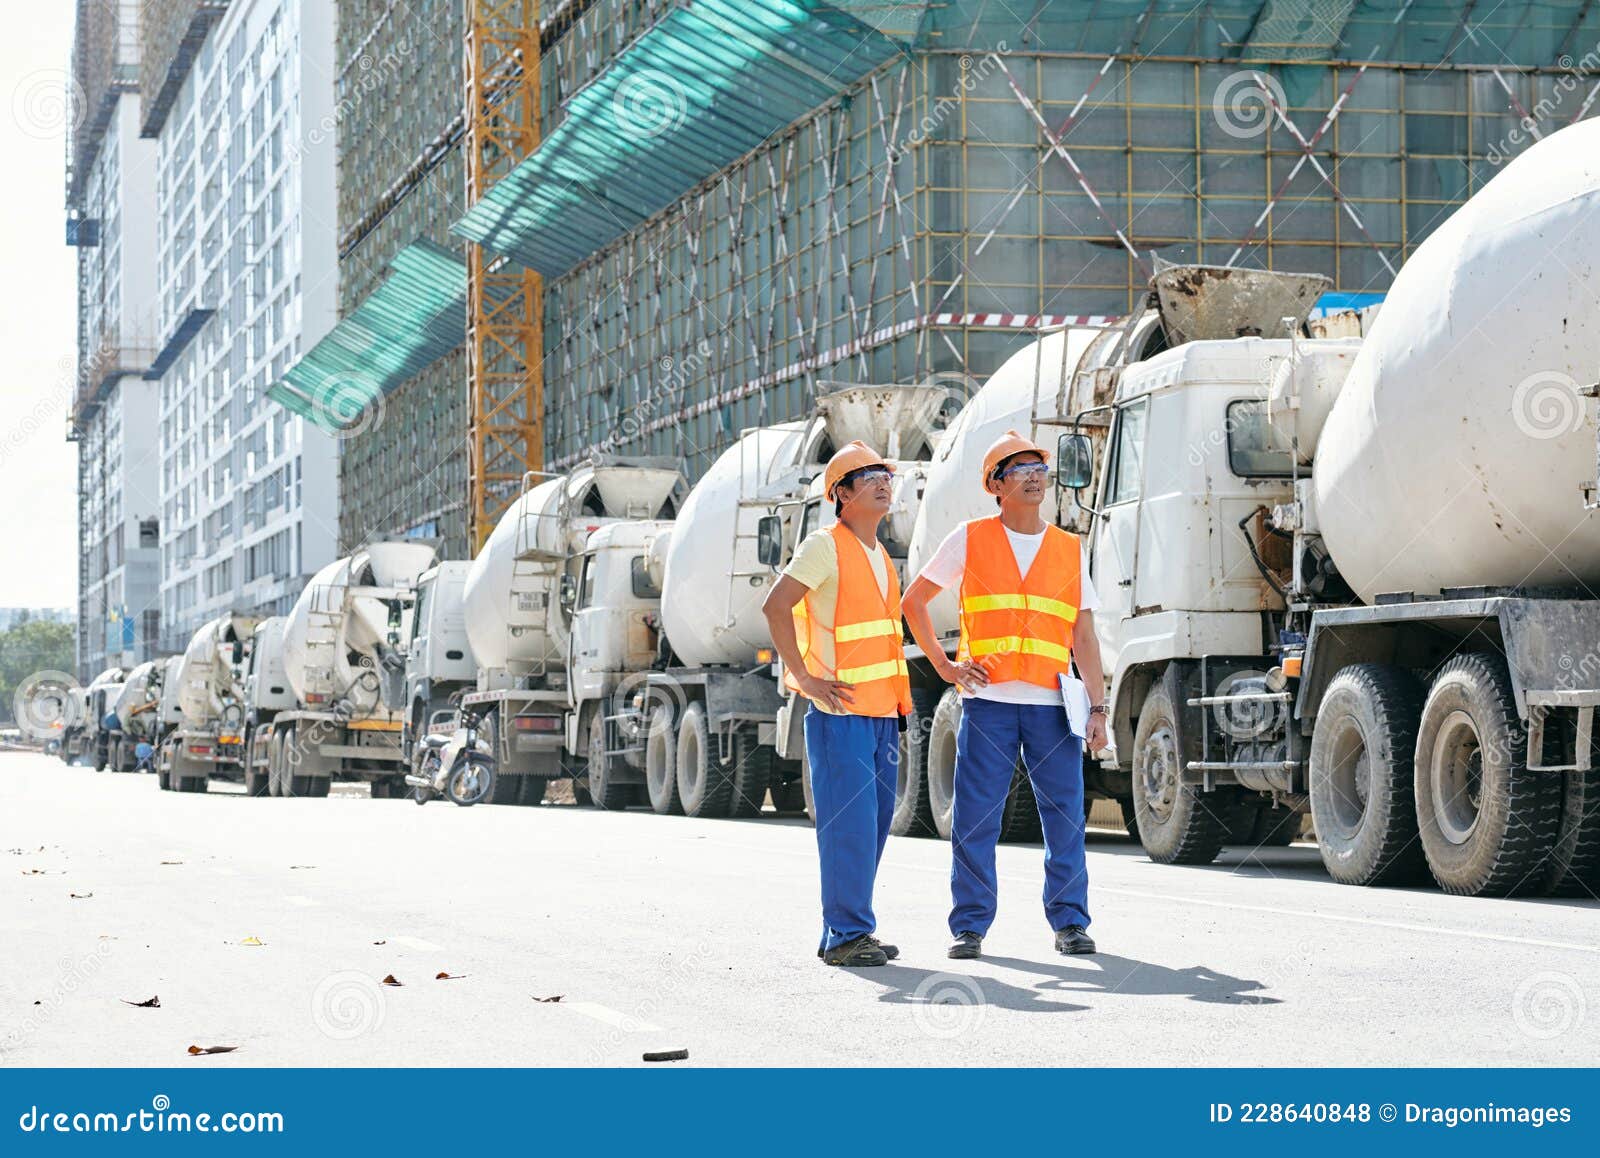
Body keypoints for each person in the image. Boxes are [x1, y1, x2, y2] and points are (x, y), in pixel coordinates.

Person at [901, 430, 1108, 960]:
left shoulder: (1068, 548)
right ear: (997, 484)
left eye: (1040, 466)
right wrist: (946, 666)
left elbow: (1082, 635)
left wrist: (1099, 708)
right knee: (976, 817)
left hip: (1052, 704)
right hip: (989, 703)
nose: (1036, 475)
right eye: (1021, 468)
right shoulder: (970, 539)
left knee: (1064, 817)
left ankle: (1070, 923)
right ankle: (969, 925)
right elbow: (914, 601)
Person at [762, 441, 912, 968]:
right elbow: (775, 605)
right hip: (839, 714)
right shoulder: (824, 545)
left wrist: (898, 709)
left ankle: (847, 929)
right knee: (848, 827)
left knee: (871, 827)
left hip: (879, 715)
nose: (881, 482)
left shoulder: (881, 558)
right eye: (866, 476)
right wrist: (803, 676)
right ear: (841, 494)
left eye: (884, 475)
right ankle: (848, 934)